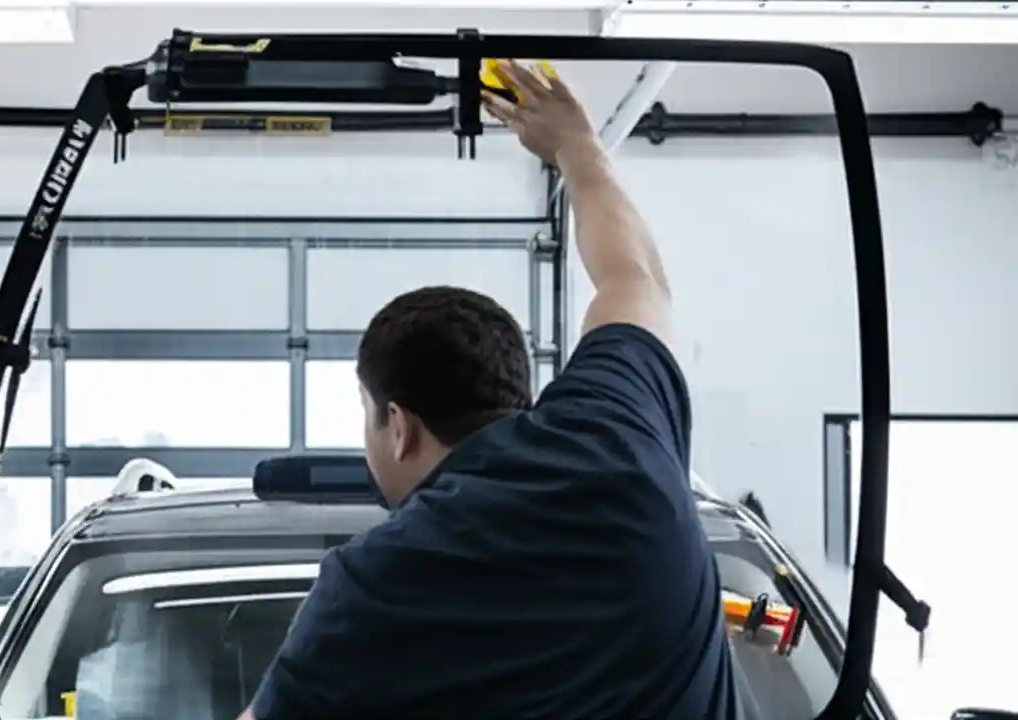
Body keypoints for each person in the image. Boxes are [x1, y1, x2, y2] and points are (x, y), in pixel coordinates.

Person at [238, 60, 739, 719]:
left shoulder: (374, 587)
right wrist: (575, 145)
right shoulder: (620, 435)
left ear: (398, 424)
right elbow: (635, 278)